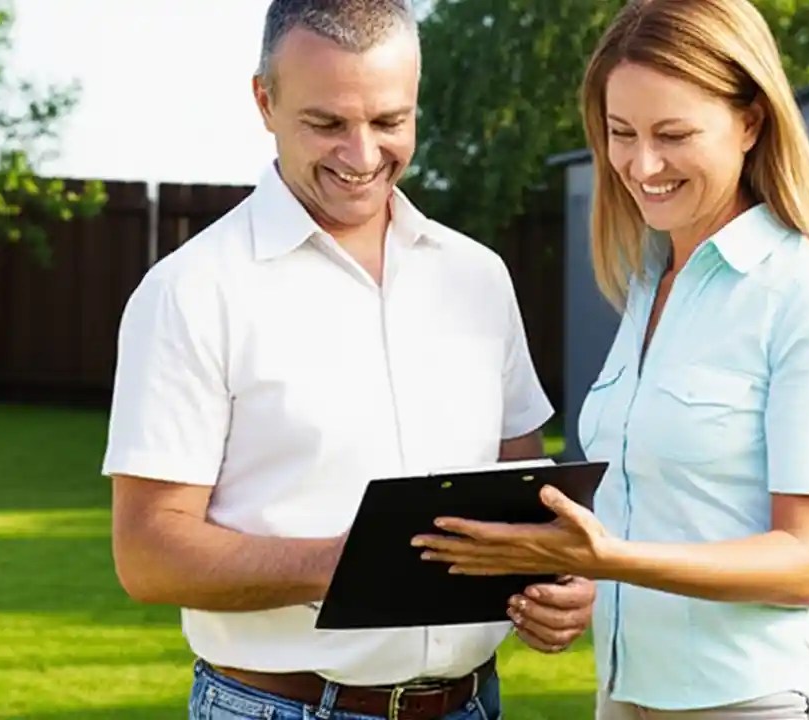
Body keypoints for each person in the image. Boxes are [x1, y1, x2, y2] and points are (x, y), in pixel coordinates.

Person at [101, 1, 594, 719]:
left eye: (390, 122)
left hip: (473, 704)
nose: (362, 157)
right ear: (265, 101)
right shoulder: (192, 291)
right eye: (327, 123)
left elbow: (521, 493)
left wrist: (556, 580)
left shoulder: (478, 277)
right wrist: (347, 563)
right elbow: (147, 554)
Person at [412, 0, 809, 718]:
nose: (641, 164)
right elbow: (662, 515)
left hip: (764, 699)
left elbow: (807, 564)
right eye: (620, 133)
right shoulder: (648, 286)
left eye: (673, 134)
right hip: (629, 696)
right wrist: (582, 587)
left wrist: (604, 561)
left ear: (752, 121)